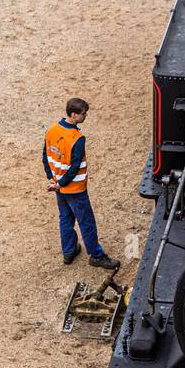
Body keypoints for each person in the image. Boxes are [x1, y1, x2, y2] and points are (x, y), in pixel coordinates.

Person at [43, 98, 118, 268]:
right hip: (74, 189)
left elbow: (45, 155)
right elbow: (74, 167)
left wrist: (53, 180)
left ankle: (69, 252)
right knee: (86, 222)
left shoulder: (52, 130)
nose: (86, 116)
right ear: (74, 115)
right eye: (84, 114)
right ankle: (96, 255)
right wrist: (61, 184)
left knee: (65, 218)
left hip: (58, 186)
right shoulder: (77, 138)